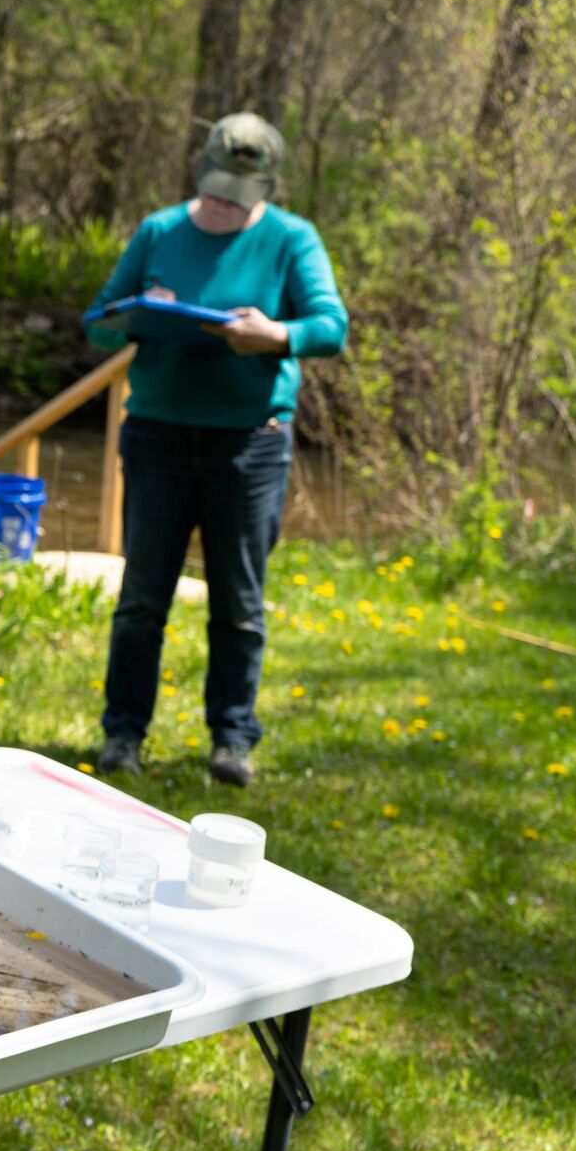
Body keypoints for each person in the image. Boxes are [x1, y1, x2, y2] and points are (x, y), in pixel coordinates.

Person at [86, 112, 348, 787]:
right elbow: (100, 324)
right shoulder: (159, 231)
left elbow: (330, 325)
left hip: (249, 447)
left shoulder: (292, 238)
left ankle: (231, 738)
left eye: (242, 189)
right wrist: (136, 314)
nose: (226, 199)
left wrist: (276, 335)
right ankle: (123, 735)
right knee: (143, 596)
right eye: (219, 184)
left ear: (266, 186)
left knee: (239, 600)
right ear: (201, 169)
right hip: (158, 438)